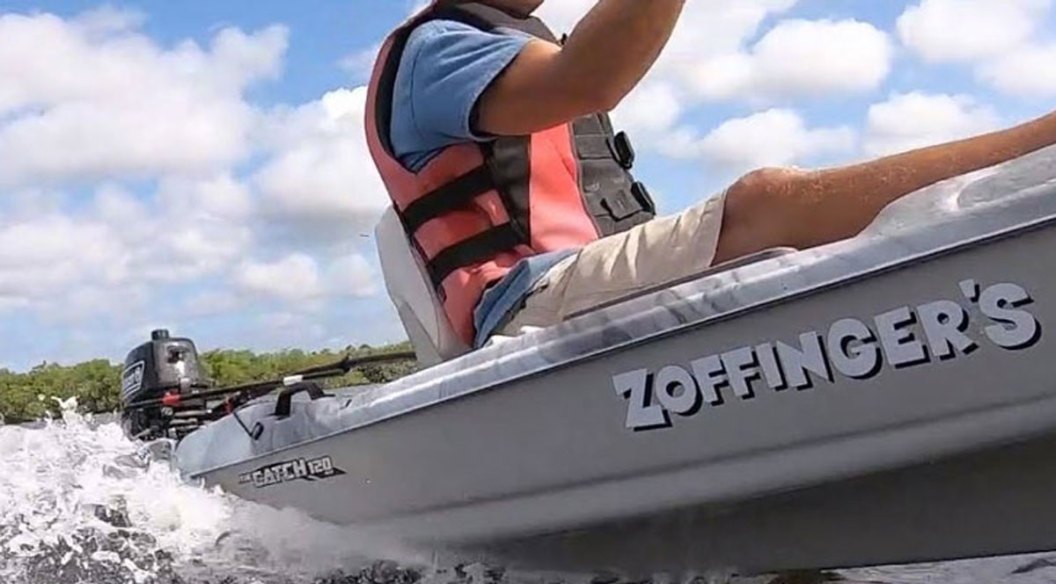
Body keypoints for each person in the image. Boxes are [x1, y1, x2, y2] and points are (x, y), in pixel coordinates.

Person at [366, 0, 1056, 353]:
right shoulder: (436, 49)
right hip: (528, 306)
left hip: (580, 291)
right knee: (766, 203)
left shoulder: (514, 46)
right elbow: (592, 77)